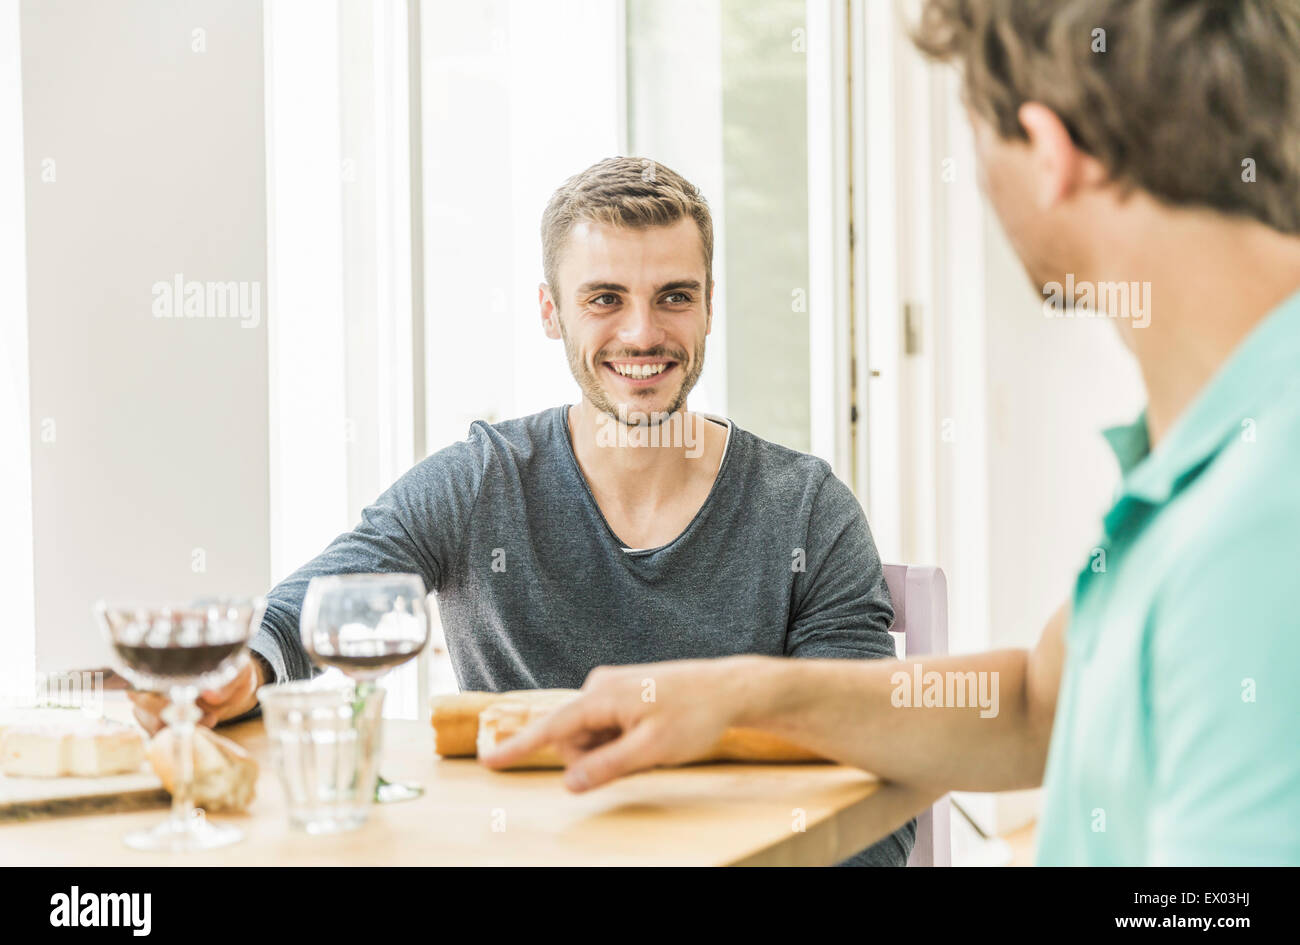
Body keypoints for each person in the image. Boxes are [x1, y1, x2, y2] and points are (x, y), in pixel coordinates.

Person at [485, 0, 1300, 865]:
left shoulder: (1260, 517)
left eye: (975, 132)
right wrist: (735, 695)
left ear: (1049, 151)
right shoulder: (1225, 426)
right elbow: (1037, 706)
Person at [131, 157, 914, 866]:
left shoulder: (807, 510)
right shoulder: (485, 480)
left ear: (709, 307)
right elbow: (329, 594)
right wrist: (251, 665)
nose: (643, 332)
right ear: (550, 311)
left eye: (674, 296)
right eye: (604, 298)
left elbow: (872, 770)